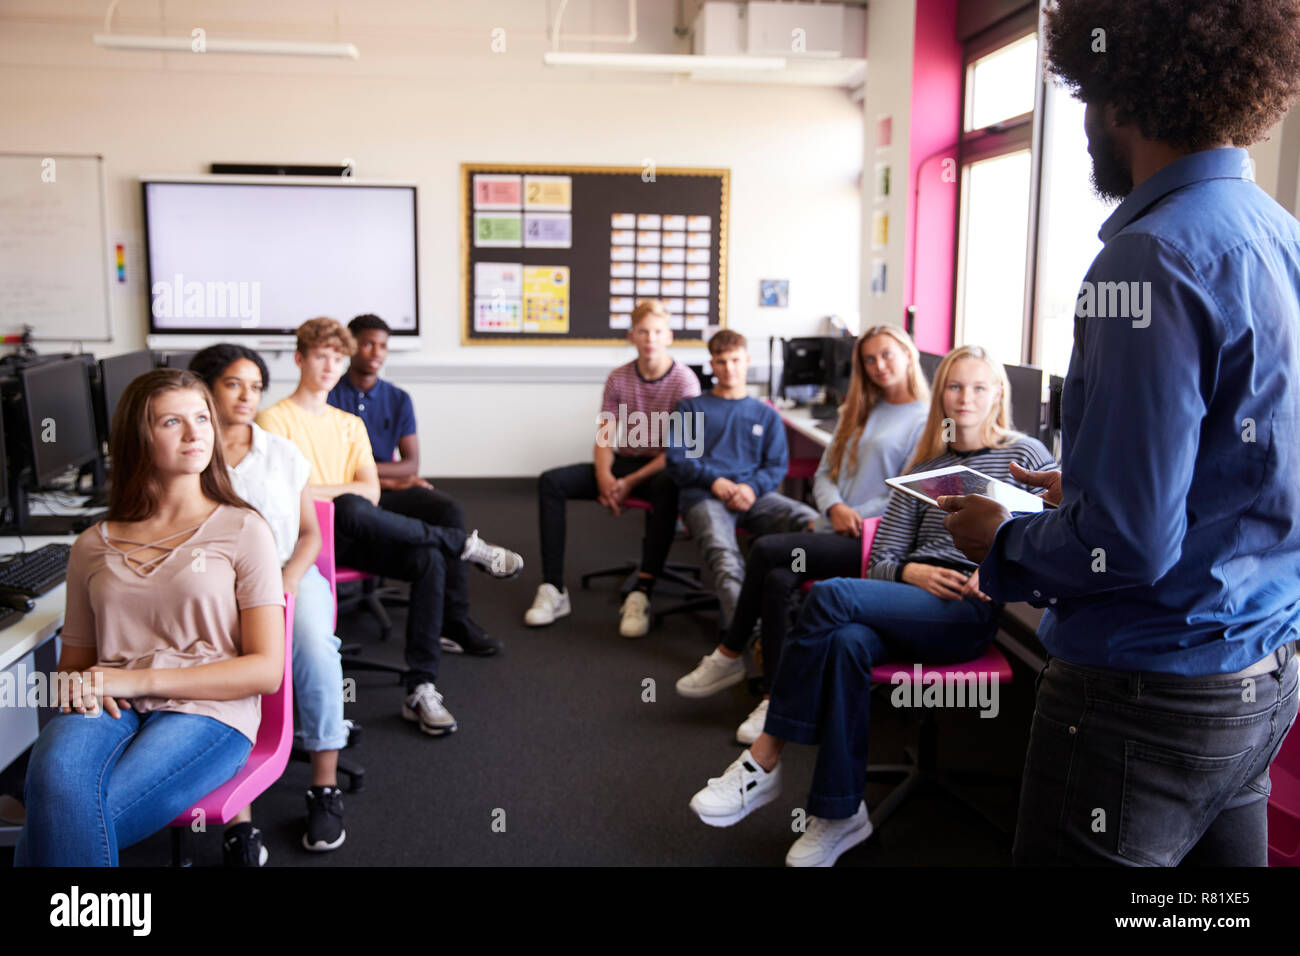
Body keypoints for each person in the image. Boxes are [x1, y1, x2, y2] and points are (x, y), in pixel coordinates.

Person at [939, 0, 1300, 866]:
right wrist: (1089, 491)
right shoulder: (1280, 237)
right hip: (1262, 677)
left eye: (1087, 96)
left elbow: (1131, 546)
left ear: (1123, 95)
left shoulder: (1149, 257)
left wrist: (1007, 539)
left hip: (1145, 697)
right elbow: (1253, 472)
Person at [687, 345, 1056, 866]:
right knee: (844, 639)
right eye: (955, 386)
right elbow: (880, 559)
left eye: (979, 387)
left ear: (999, 393)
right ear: (941, 394)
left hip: (963, 613)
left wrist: (991, 568)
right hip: (905, 597)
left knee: (832, 594)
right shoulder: (926, 466)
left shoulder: (1027, 458)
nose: (966, 398)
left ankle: (766, 753)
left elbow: (1046, 545)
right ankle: (841, 815)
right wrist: (910, 570)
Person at [15, 370, 285, 866]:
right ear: (139, 438)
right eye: (172, 421)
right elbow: (73, 667)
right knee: (54, 783)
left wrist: (136, 678)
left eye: (202, 418)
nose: (195, 432)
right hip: (112, 703)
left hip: (208, 710)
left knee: (63, 821)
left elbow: (267, 670)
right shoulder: (92, 544)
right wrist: (85, 685)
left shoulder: (244, 529)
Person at [258, 318, 522, 738]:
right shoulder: (272, 421)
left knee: (426, 559)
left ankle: (421, 687)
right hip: (306, 544)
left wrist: (330, 491)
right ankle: (461, 544)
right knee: (347, 506)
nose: (329, 366)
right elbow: (293, 494)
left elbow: (372, 492)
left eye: (336, 357)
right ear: (299, 359)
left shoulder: (349, 424)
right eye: (320, 356)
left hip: (352, 534)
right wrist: (339, 493)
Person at [674, 326, 929, 747]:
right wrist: (832, 507)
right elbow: (825, 472)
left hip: (872, 538)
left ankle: (730, 650)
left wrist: (846, 514)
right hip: (835, 524)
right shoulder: (859, 407)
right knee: (775, 580)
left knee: (768, 550)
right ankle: (777, 697)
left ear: (907, 354)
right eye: (869, 359)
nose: (879, 366)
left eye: (887, 355)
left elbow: (906, 494)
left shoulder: (925, 420)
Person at [190, 344, 347, 862]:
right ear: (206, 388)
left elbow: (309, 535)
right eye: (234, 383)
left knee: (314, 648)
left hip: (286, 577)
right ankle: (239, 816)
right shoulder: (190, 455)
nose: (246, 396)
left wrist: (287, 580)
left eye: (255, 386)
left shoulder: (282, 454)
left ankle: (324, 786)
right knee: (224, 667)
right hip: (216, 589)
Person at [524, 299, 701, 637]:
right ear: (631, 336)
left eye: (657, 332)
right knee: (552, 482)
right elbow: (605, 436)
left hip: (663, 466)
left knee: (668, 486)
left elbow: (683, 451)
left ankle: (642, 592)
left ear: (669, 336)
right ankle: (553, 589)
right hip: (626, 461)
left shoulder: (685, 382)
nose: (650, 339)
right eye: (643, 332)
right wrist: (606, 478)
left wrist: (628, 483)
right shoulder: (618, 378)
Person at [328, 314, 497, 656]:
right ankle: (458, 546)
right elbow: (333, 470)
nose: (376, 352)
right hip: (347, 498)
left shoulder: (398, 398)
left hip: (389, 491)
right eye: (367, 343)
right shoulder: (329, 395)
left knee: (446, 507)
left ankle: (454, 621)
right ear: (350, 346)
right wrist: (387, 476)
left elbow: (411, 464)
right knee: (384, 517)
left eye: (383, 346)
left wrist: (388, 477)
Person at [665, 328, 817, 635]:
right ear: (712, 365)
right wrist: (715, 482)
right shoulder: (691, 408)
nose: (729, 368)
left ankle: (796, 610)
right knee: (724, 555)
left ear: (746, 361)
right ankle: (750, 639)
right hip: (705, 497)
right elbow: (678, 460)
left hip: (755, 497)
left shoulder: (765, 414)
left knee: (813, 521)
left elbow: (776, 467)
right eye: (721, 362)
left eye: (735, 360)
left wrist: (751, 488)